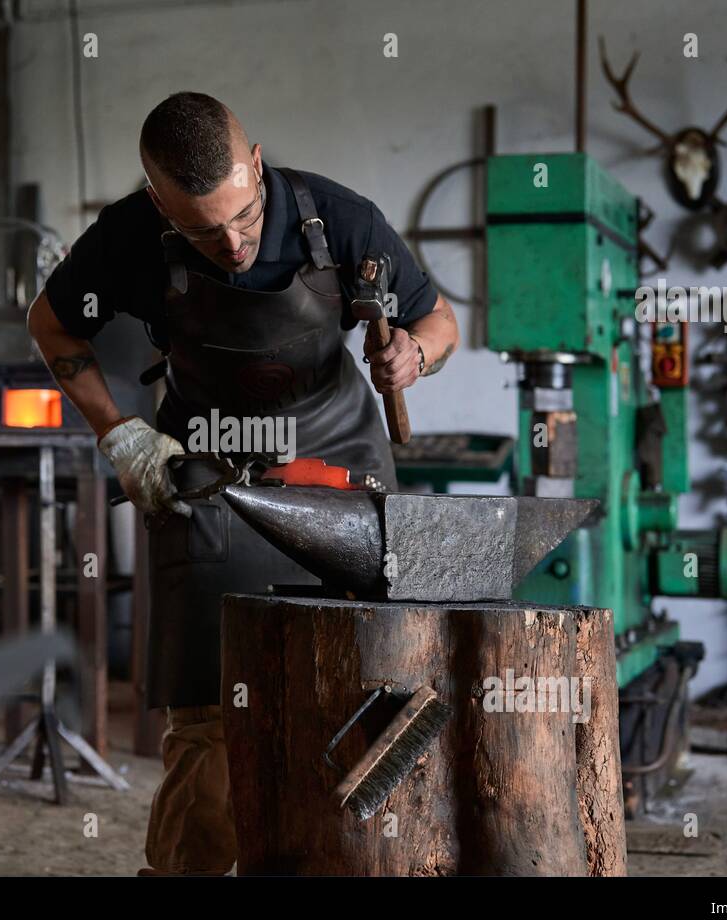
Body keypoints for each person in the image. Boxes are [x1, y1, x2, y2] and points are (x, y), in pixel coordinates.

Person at [29, 91, 457, 874]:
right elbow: (51, 324)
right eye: (201, 230)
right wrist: (120, 432)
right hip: (210, 482)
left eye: (244, 217)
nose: (231, 245)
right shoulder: (128, 236)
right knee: (209, 722)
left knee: (362, 697)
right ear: (159, 203)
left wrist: (416, 357)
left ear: (255, 165)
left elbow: (439, 320)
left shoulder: (340, 217)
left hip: (339, 473)